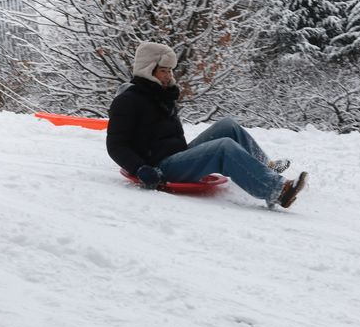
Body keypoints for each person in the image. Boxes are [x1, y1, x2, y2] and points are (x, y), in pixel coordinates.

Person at [106, 41, 307, 208]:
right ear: (148, 70)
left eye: (170, 71)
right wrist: (141, 168)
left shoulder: (160, 95)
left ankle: (266, 166)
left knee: (228, 126)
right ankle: (277, 190)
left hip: (177, 155)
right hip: (159, 168)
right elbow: (116, 144)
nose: (169, 76)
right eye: (163, 71)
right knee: (223, 148)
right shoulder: (128, 101)